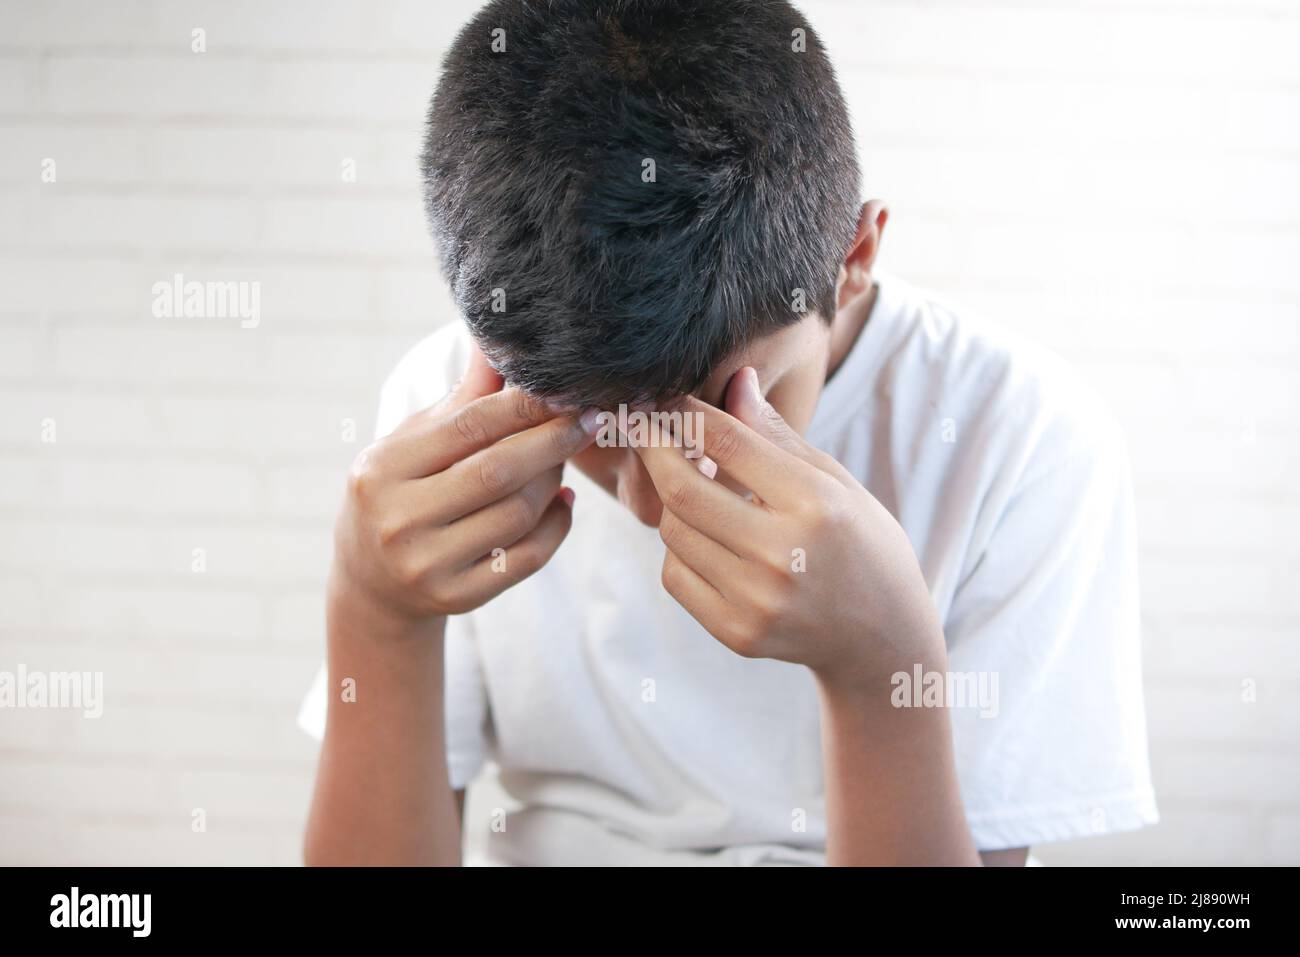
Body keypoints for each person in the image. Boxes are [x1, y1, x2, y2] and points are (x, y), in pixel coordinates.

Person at [300, 0, 1157, 866]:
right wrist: (375, 612)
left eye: (727, 401)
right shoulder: (443, 417)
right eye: (589, 423)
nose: (650, 498)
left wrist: (883, 663)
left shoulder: (1020, 440)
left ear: (853, 261)